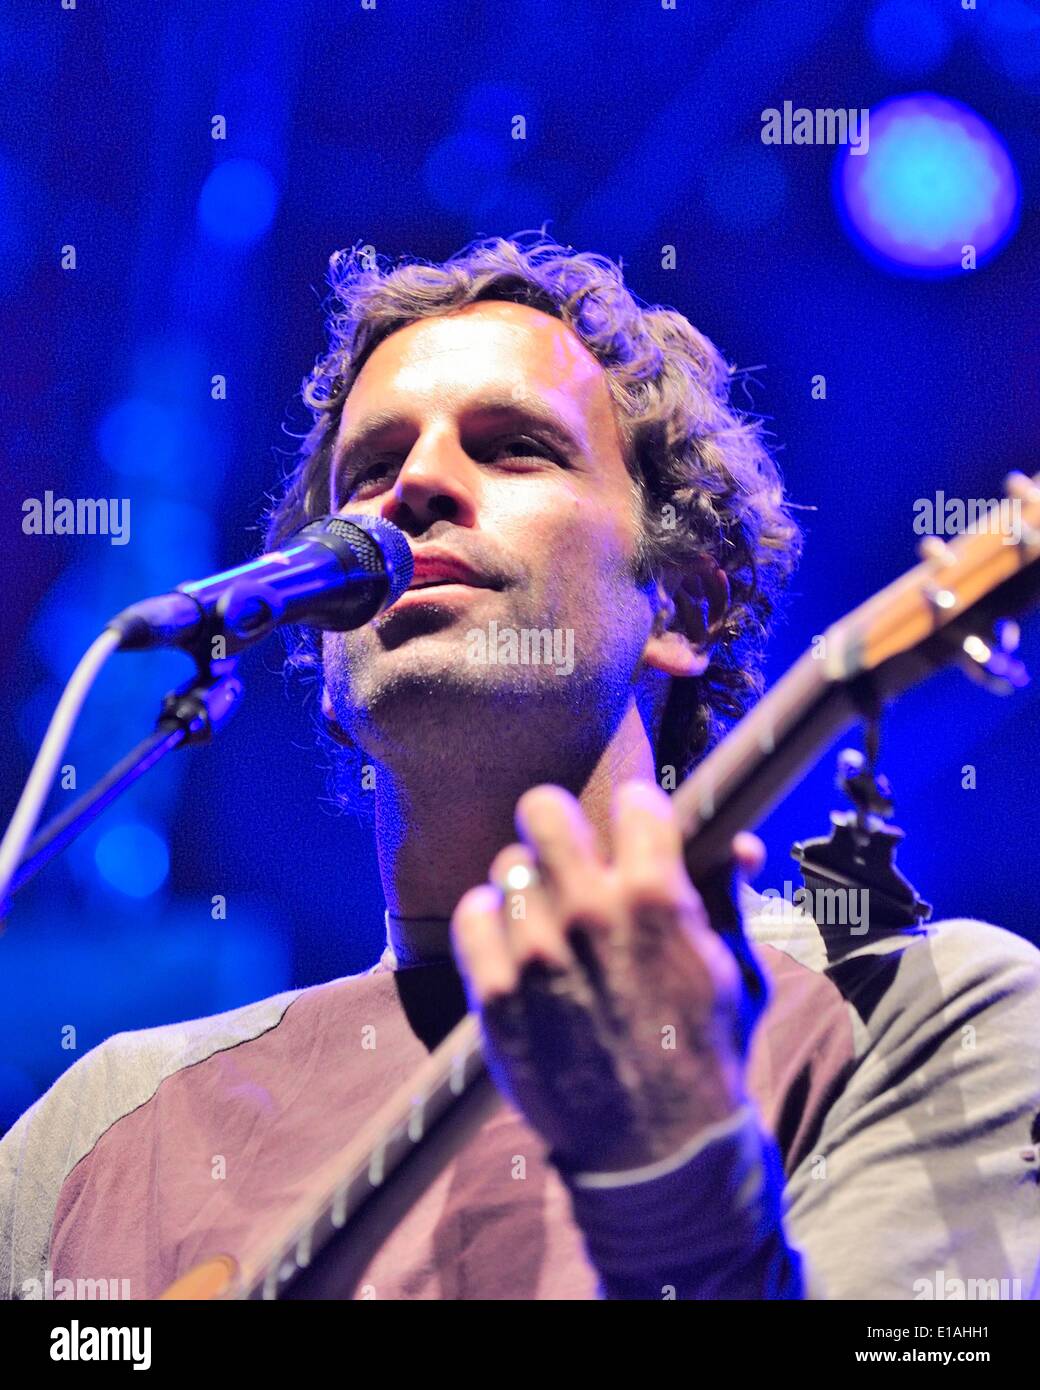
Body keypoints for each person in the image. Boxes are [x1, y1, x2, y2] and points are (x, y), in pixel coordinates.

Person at [2, 233, 1038, 1301]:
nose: (414, 486)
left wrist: (675, 1179)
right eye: (368, 468)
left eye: (512, 448)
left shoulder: (918, 1011)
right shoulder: (105, 1127)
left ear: (684, 601)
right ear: (318, 651)